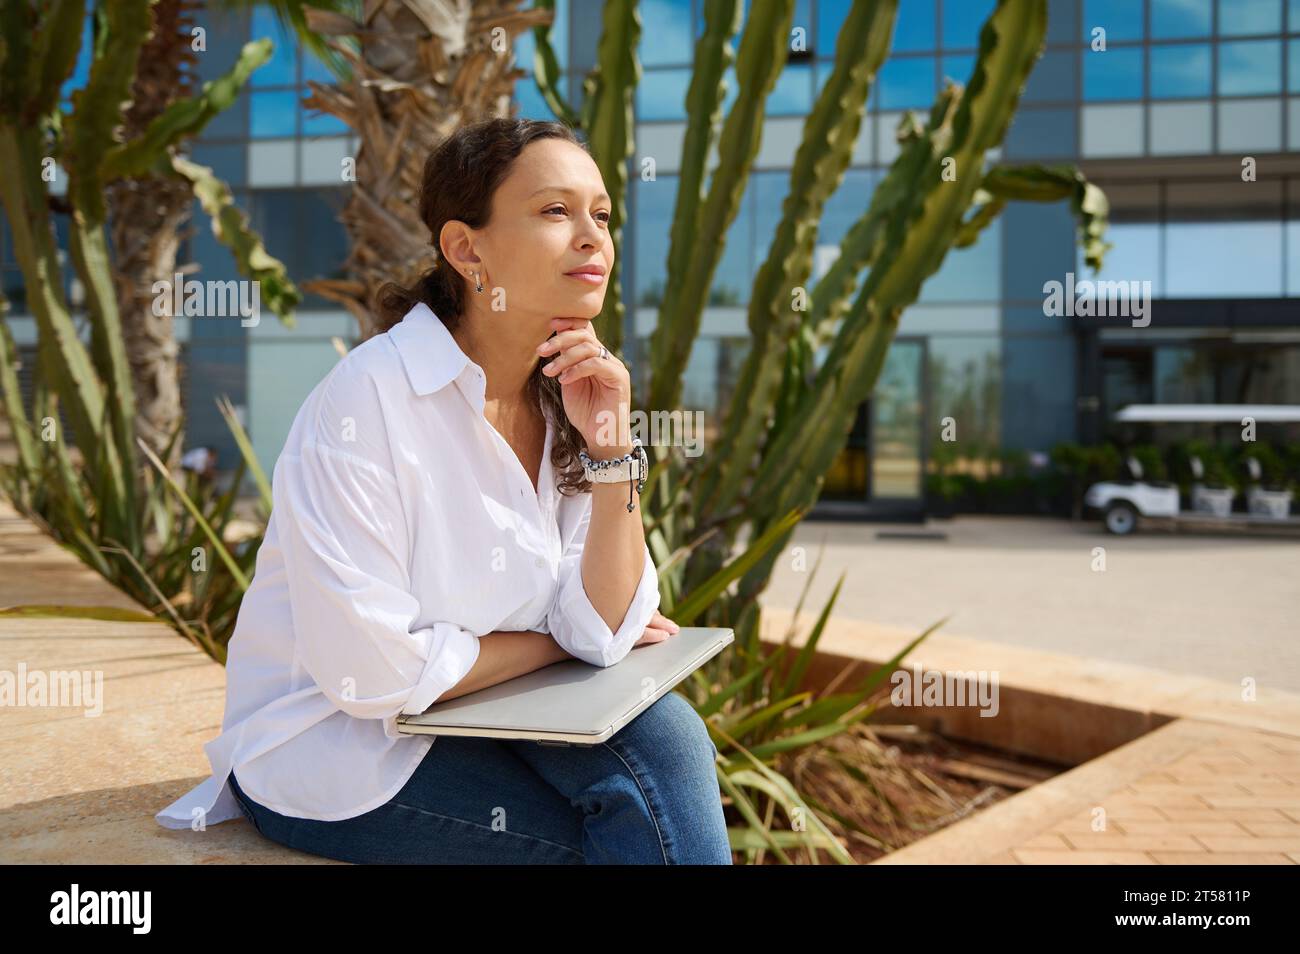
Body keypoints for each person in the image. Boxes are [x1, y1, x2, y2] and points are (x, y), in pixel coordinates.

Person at [154, 117, 733, 865]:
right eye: (556, 211)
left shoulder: (569, 395)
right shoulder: (368, 402)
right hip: (337, 748)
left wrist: (614, 452)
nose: (592, 237)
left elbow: (608, 628)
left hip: (490, 708)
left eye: (602, 214)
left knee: (669, 737)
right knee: (622, 838)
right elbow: (376, 677)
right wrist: (553, 638)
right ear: (466, 249)